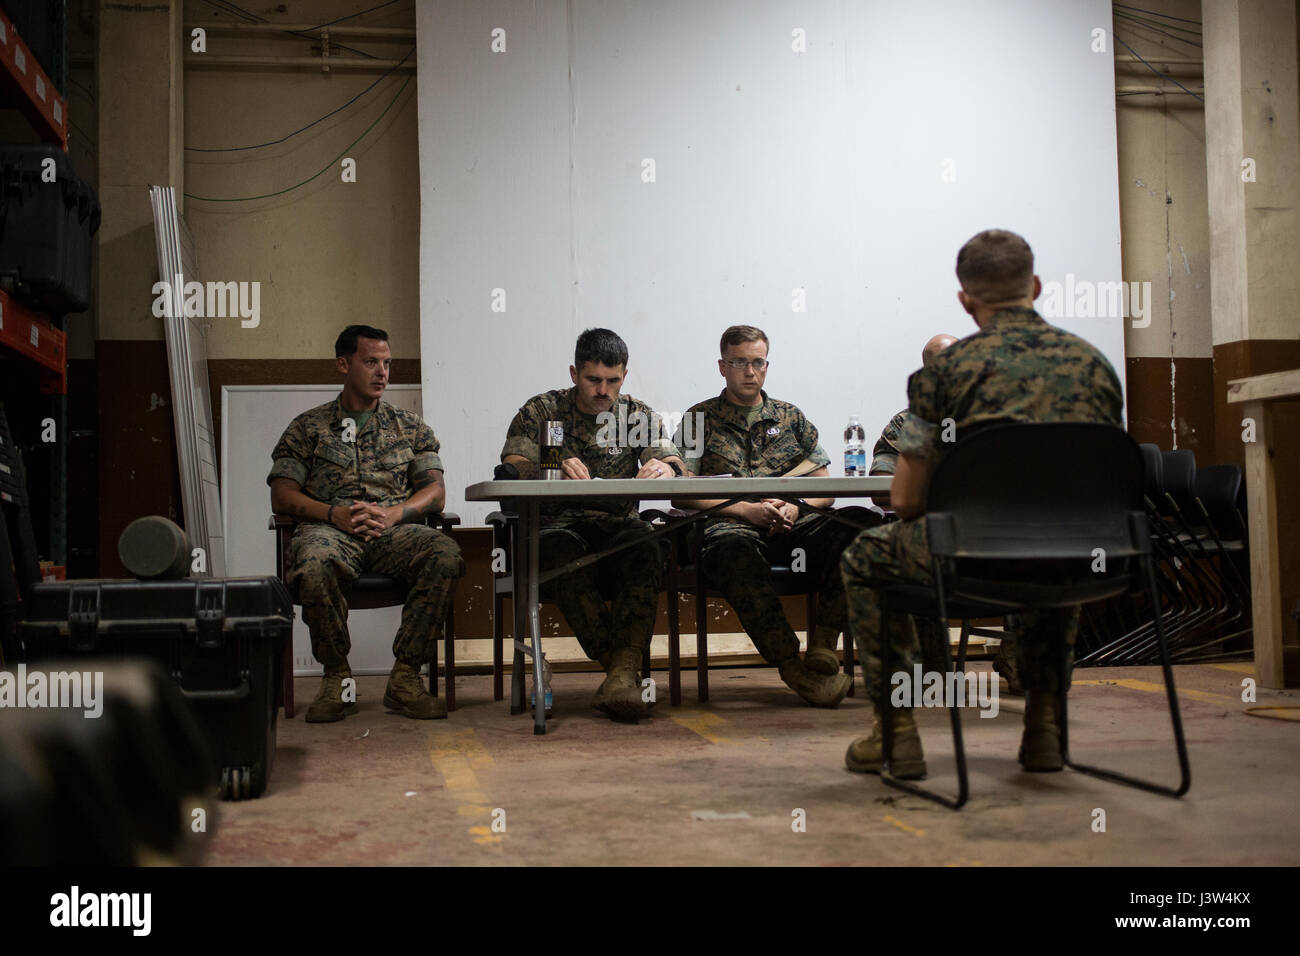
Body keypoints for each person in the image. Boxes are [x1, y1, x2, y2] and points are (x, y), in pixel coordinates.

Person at [840, 229, 1123, 777]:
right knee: (1058, 546)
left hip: (967, 551)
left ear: (966, 301)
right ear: (1035, 286)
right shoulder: (1095, 366)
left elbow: (904, 499)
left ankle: (897, 733)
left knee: (862, 557)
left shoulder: (945, 373)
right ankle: (1043, 724)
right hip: (1089, 553)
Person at [268, 325, 465, 723]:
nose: (382, 372)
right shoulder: (308, 428)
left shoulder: (409, 427)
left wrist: (396, 513)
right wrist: (331, 513)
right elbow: (283, 495)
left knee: (444, 553)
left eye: (387, 363)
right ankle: (337, 678)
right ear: (343, 364)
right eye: (371, 362)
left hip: (392, 530)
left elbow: (436, 492)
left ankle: (406, 678)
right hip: (331, 529)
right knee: (313, 562)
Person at [671, 325, 875, 708]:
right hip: (732, 525)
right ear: (722, 366)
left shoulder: (789, 417)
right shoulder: (699, 419)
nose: (750, 371)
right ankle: (792, 667)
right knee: (732, 553)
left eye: (758, 362)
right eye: (739, 362)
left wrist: (798, 506)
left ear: (767, 365)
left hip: (793, 525)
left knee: (861, 529)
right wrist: (745, 509)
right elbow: (683, 488)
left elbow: (822, 482)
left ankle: (824, 642)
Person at [501, 328, 684, 723]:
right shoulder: (542, 411)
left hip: (618, 526)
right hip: (558, 526)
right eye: (593, 380)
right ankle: (621, 672)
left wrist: (663, 465)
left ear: (624, 376)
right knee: (555, 551)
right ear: (574, 373)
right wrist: (550, 469)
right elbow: (511, 467)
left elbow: (674, 462)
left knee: (648, 543)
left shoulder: (636, 415)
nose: (603, 390)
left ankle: (619, 676)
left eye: (612, 381)